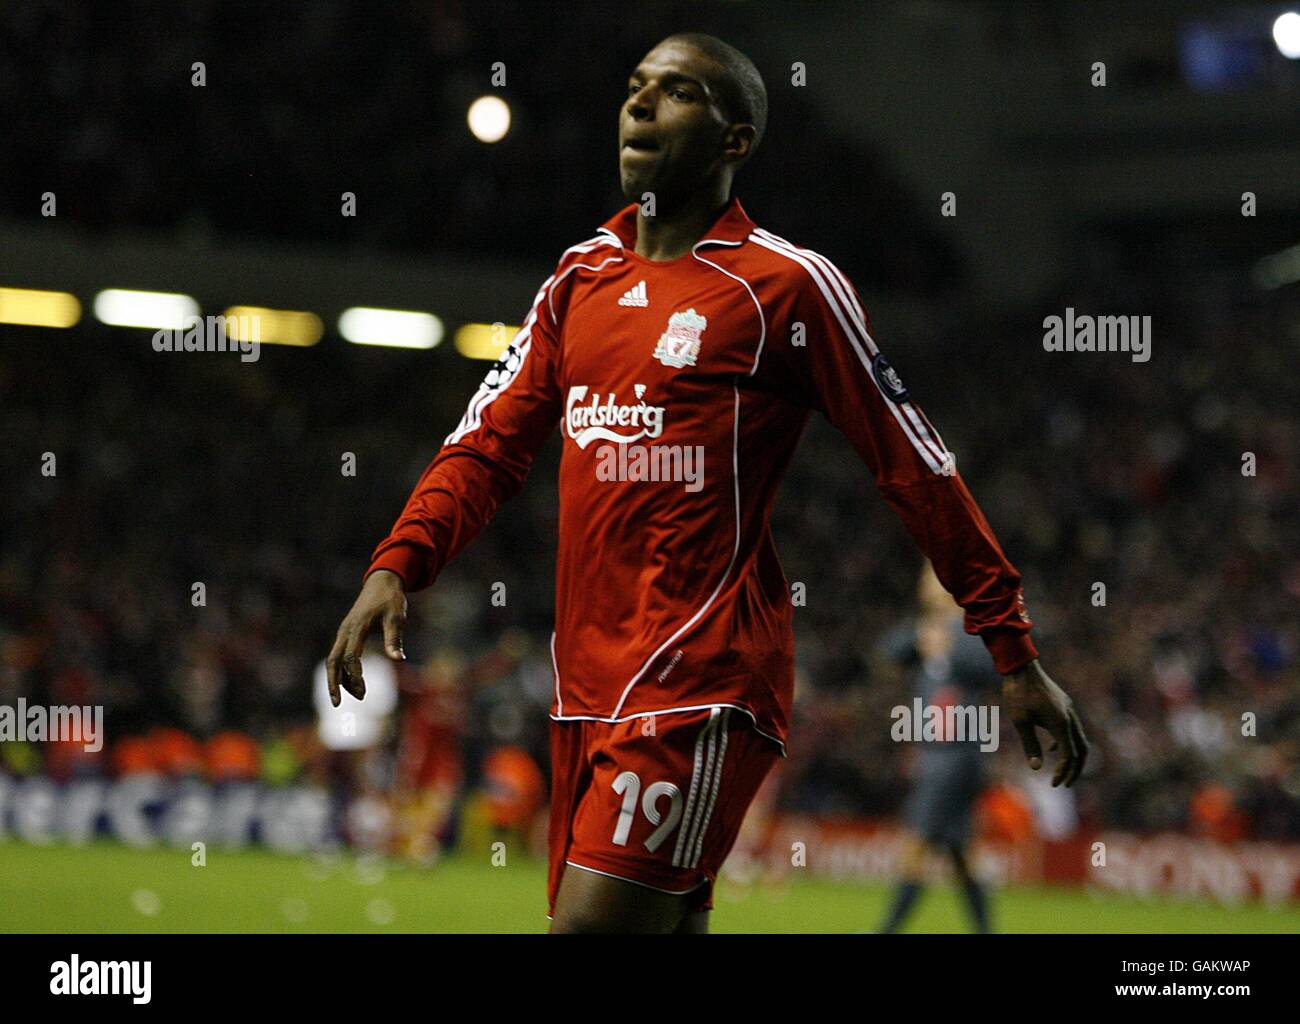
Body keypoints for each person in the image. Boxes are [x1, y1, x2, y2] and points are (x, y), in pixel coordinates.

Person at [327, 32, 1088, 934]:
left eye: (678, 92)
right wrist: (397, 565)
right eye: (635, 88)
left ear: (736, 140)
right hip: (586, 687)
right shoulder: (578, 281)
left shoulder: (787, 288)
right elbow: (486, 444)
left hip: (702, 674)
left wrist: (1014, 650)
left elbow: (915, 465)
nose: (641, 105)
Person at [877, 563, 1003, 933]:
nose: (925, 586)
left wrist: (948, 647)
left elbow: (997, 669)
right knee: (961, 852)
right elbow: (887, 651)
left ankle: (887, 929)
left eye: (932, 578)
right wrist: (923, 634)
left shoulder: (970, 630)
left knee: (916, 840)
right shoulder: (923, 632)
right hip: (937, 753)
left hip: (956, 752)